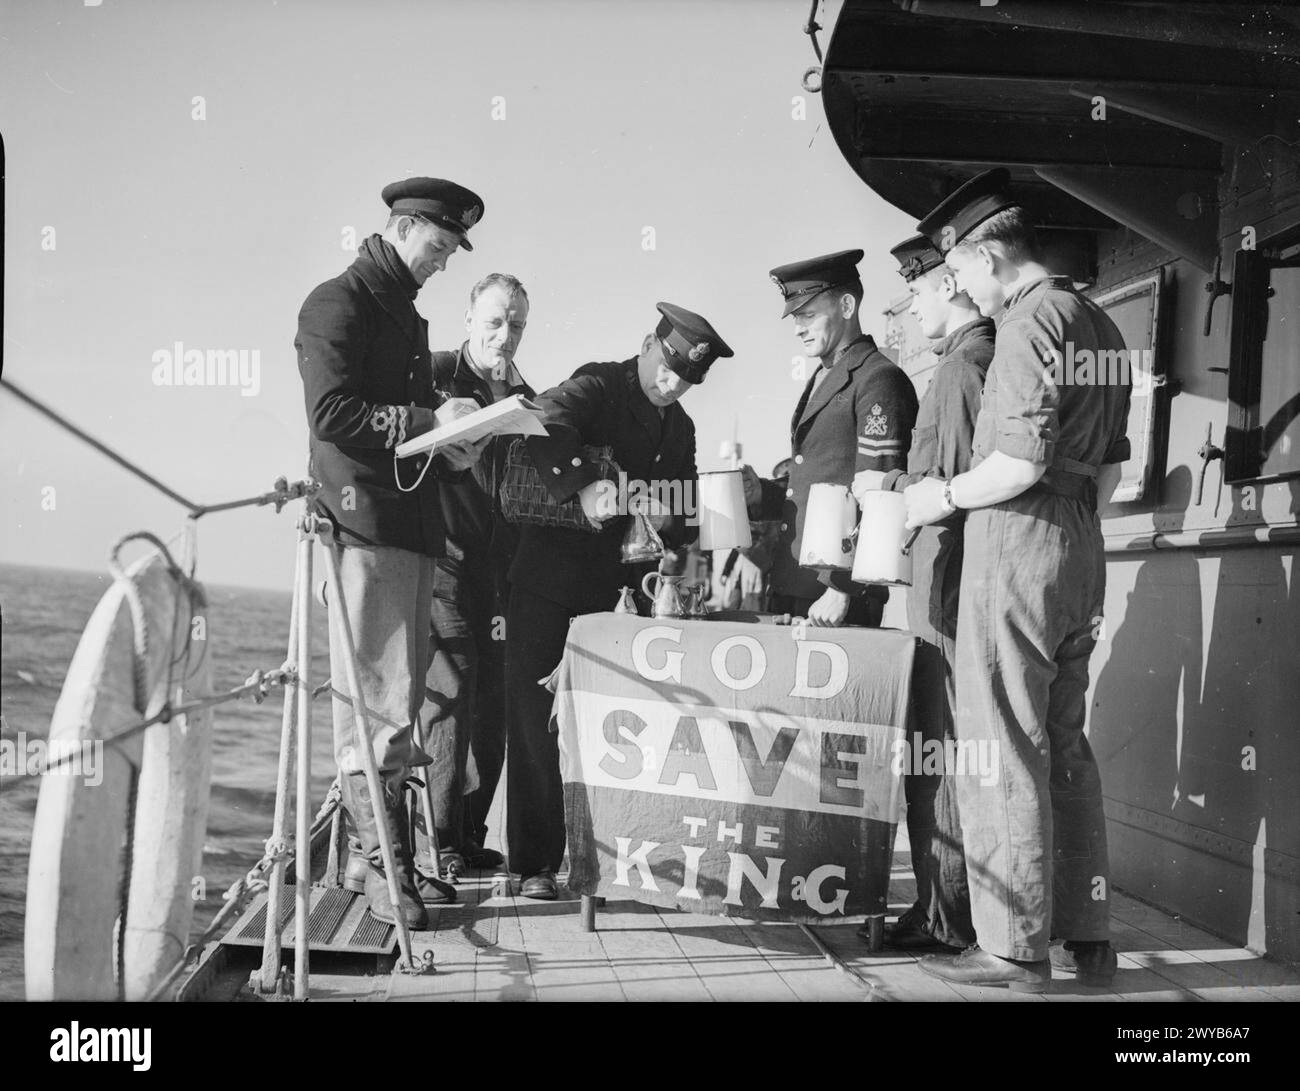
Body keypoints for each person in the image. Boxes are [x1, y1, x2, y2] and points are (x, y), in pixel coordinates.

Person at [904, 168, 1131, 991]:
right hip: (1082, 546)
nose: (958, 286)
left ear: (989, 255)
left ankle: (1012, 948)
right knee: (1064, 744)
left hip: (1018, 542)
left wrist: (942, 494)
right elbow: (1107, 472)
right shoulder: (1099, 325)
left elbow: (1019, 458)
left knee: (1001, 743)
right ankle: (1089, 935)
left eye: (958, 269)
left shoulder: (1029, 325)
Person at [295, 176, 487, 929]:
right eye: (438, 247)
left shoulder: (403, 314)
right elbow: (330, 412)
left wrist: (450, 448)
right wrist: (426, 416)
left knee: (397, 700)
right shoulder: (335, 303)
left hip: (409, 527)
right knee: (374, 704)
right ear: (403, 228)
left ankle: (366, 853)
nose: (443, 262)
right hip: (362, 528)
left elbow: (400, 434)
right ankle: (382, 867)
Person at [505, 303, 733, 899]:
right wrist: (582, 484)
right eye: (668, 368)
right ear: (647, 344)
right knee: (535, 724)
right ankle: (532, 864)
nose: (673, 383)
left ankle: (599, 859)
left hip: (616, 597)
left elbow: (679, 514)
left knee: (609, 732)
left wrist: (691, 535)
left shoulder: (679, 426)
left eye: (687, 379)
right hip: (546, 584)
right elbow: (546, 420)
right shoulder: (599, 383)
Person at [854, 234, 992, 951]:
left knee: (937, 747)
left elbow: (952, 490)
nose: (913, 305)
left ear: (953, 288)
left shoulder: (963, 369)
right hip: (941, 581)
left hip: (946, 585)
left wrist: (890, 494)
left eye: (921, 291)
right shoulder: (957, 365)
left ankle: (949, 914)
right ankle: (944, 905)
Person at [421, 274, 535, 878]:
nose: (505, 335)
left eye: (516, 323)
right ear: (468, 319)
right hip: (441, 560)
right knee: (451, 690)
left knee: (494, 701)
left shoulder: (529, 398)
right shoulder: (434, 373)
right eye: (494, 321)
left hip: (499, 573)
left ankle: (467, 835)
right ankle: (435, 839)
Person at [742, 250, 917, 627]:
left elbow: (881, 495)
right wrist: (766, 494)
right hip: (796, 579)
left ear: (847, 305)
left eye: (808, 315)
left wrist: (841, 590)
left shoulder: (878, 379)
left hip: (834, 594)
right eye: (795, 318)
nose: (798, 328)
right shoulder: (827, 373)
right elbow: (819, 476)